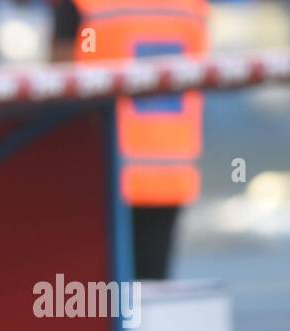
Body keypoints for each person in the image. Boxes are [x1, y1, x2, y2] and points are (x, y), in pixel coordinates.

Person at [52, 0, 208, 279]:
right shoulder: (190, 5)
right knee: (149, 294)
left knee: (96, 301)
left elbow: (57, 80)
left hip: (103, 171)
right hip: (169, 168)